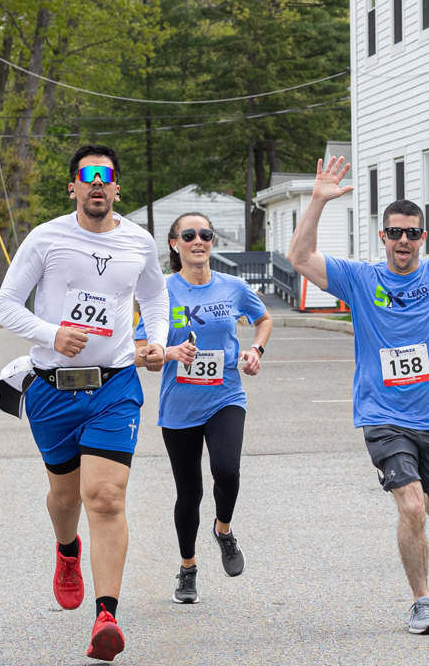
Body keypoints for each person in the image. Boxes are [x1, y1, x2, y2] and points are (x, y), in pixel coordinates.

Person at [286, 154, 429, 636]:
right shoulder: (362, 279)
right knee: (411, 507)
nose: (404, 241)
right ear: (384, 237)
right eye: (395, 233)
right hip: (384, 415)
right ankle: (423, 601)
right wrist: (317, 202)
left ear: (423, 238)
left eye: (412, 232)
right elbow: (300, 258)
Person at [0, 144, 169, 663]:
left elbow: (155, 297)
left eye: (106, 176)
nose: (97, 184)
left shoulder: (139, 241)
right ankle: (67, 552)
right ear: (72, 186)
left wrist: (155, 338)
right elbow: (5, 305)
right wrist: (52, 332)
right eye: (87, 176)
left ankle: (106, 616)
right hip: (52, 387)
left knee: (107, 497)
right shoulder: (46, 238)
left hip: (114, 386)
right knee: (65, 497)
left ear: (117, 188)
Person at [154, 212, 273, 605]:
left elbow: (263, 319)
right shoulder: (161, 292)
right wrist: (170, 352)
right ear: (175, 244)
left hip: (225, 395)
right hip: (179, 404)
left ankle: (223, 530)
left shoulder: (234, 287)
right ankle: (187, 569)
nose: (198, 240)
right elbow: (143, 350)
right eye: (188, 235)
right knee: (189, 494)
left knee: (227, 470)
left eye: (204, 234)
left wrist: (256, 349)